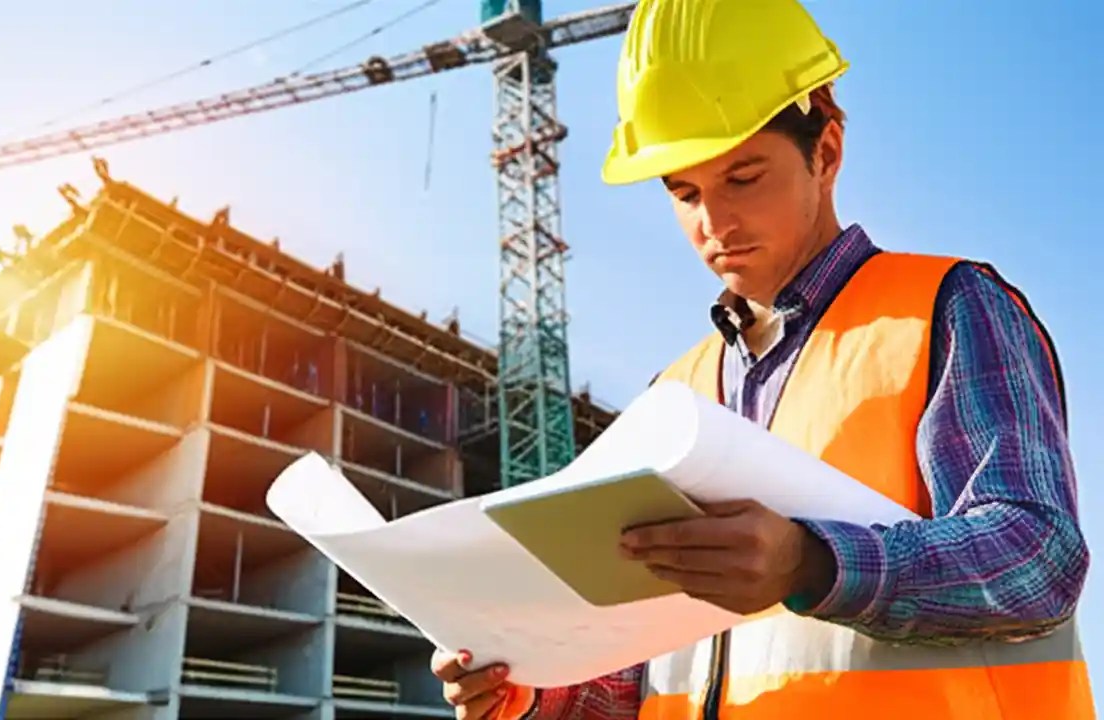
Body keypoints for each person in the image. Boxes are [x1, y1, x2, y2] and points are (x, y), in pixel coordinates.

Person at [430, 0, 1094, 718]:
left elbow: (1037, 560)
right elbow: (647, 677)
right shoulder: (672, 397)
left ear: (827, 151)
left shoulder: (945, 309)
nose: (714, 223)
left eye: (743, 178)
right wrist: (531, 695)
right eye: (684, 192)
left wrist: (812, 563)